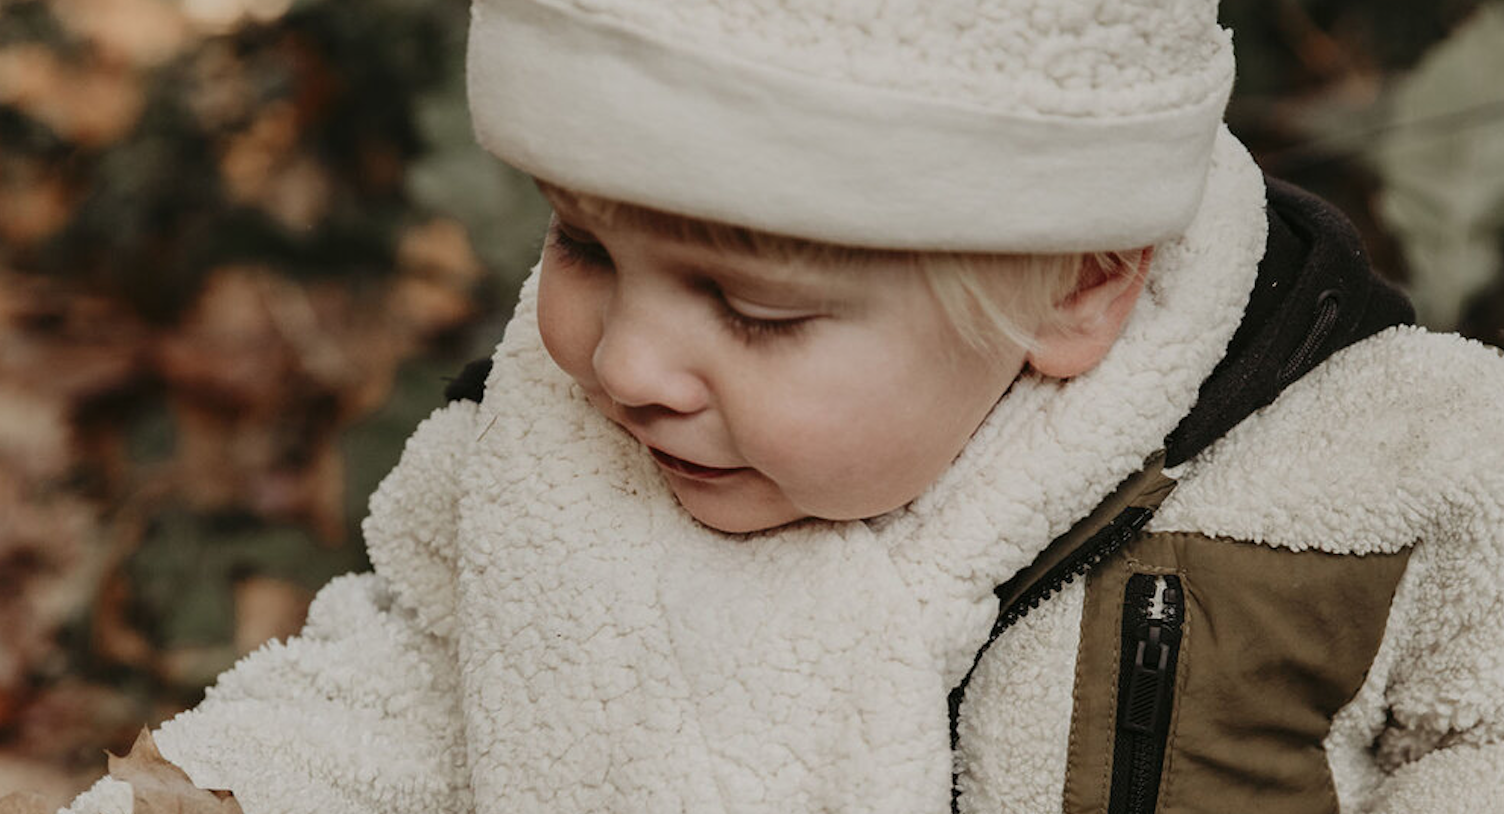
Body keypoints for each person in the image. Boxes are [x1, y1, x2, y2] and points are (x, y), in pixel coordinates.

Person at [60, 0, 1504, 812]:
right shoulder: (560, 454)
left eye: (755, 310)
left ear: (1080, 292)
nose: (623, 362)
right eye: (580, 245)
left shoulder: (1372, 471)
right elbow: (399, 689)